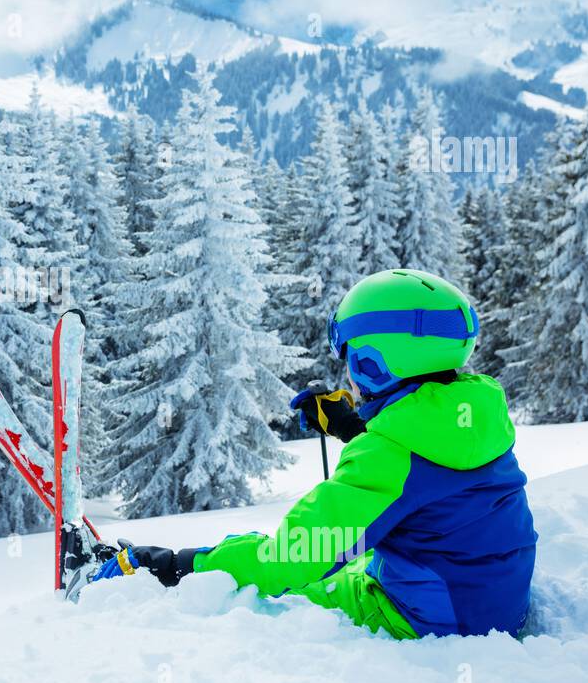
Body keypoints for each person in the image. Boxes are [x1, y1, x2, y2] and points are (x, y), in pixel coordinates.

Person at [90, 269, 538, 639]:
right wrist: (354, 428)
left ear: (372, 364)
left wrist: (177, 565)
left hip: (435, 622)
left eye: (351, 359)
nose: (350, 373)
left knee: (285, 590)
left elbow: (294, 554)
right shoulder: (475, 413)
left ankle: (136, 577)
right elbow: (427, 474)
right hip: (488, 599)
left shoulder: (387, 456)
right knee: (355, 551)